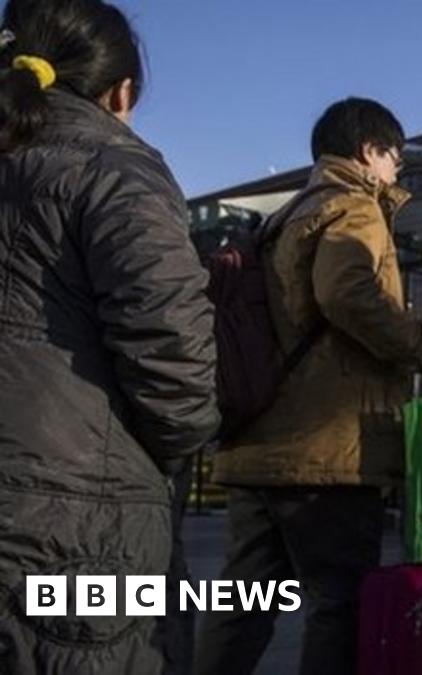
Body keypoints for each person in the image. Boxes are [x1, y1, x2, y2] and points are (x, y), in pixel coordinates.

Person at [194, 98, 422, 674]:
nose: (396, 173)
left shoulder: (281, 219)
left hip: (259, 446)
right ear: (369, 152)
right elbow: (347, 293)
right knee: (337, 604)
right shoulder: (354, 208)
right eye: (395, 159)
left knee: (243, 604)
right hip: (326, 456)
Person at [0, 1, 220, 672]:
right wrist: (182, 439)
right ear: (119, 92)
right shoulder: (112, 168)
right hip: (78, 526)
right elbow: (174, 349)